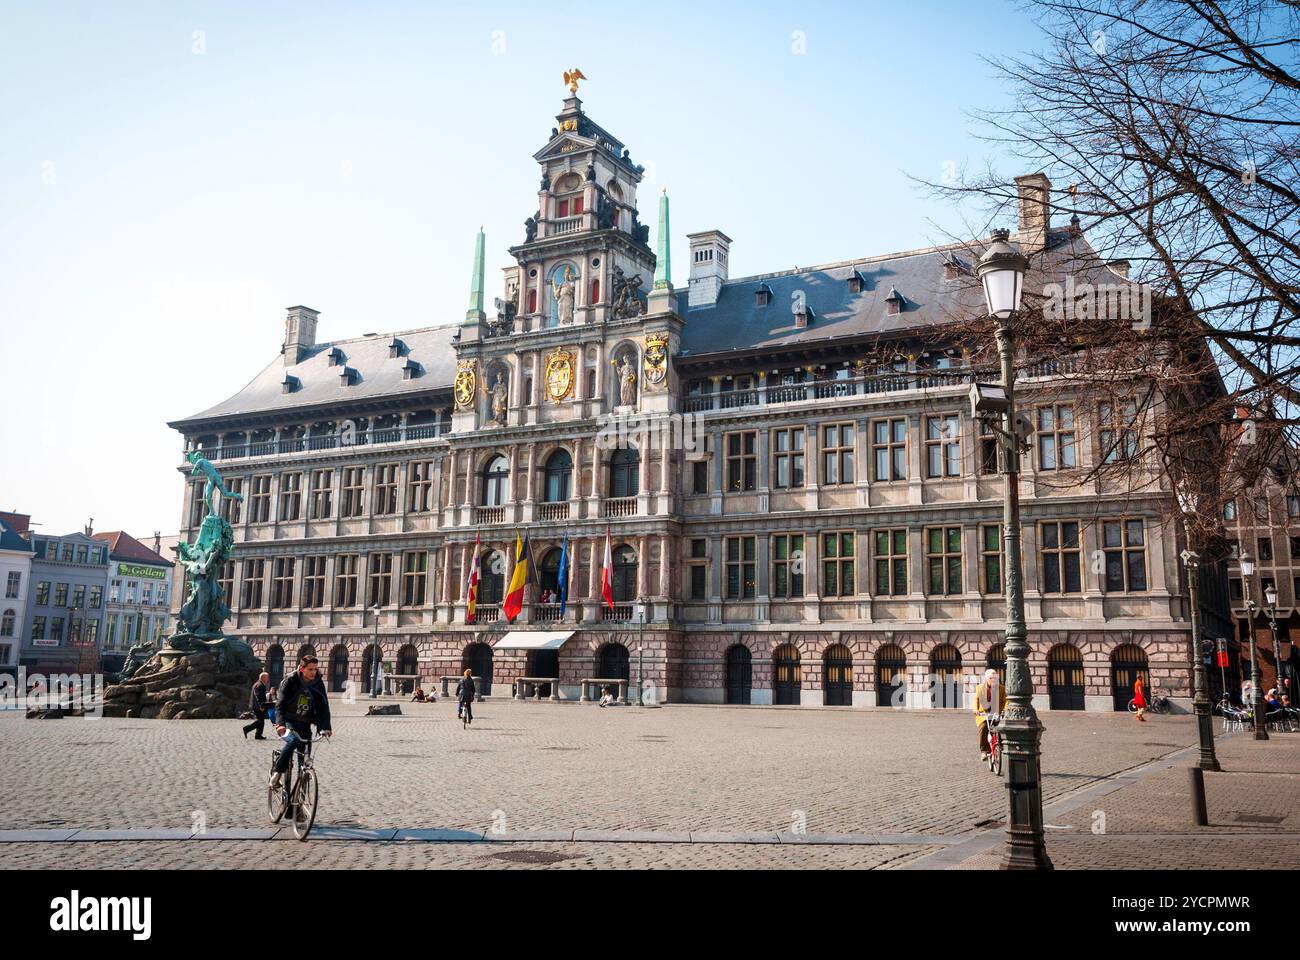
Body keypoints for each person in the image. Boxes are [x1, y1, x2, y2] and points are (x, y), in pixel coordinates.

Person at [269, 655, 332, 790]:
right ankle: (277, 772)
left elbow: (323, 706)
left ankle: (300, 803)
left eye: (315, 669)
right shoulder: (290, 681)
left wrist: (326, 727)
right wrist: (279, 724)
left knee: (304, 763)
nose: (313, 673)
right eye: (310, 669)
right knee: (293, 742)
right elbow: (280, 705)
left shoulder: (318, 682)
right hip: (288, 722)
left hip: (305, 723)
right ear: (302, 668)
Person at [973, 668, 1005, 759]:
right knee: (983, 728)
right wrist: (976, 709)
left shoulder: (1002, 688)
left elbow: (1005, 701)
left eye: (995, 678)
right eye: (991, 678)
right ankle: (984, 751)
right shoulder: (980, 688)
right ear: (987, 679)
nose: (993, 680)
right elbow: (976, 700)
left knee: (1000, 729)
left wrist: (1004, 710)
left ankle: (1001, 747)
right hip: (984, 715)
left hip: (996, 713)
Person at [243, 672, 270, 739]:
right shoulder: (260, 685)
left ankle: (258, 735)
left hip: (257, 705)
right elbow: (258, 696)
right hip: (257, 706)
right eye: (267, 677)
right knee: (260, 721)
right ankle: (247, 728)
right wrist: (261, 705)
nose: (268, 679)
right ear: (263, 678)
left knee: (261, 721)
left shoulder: (259, 684)